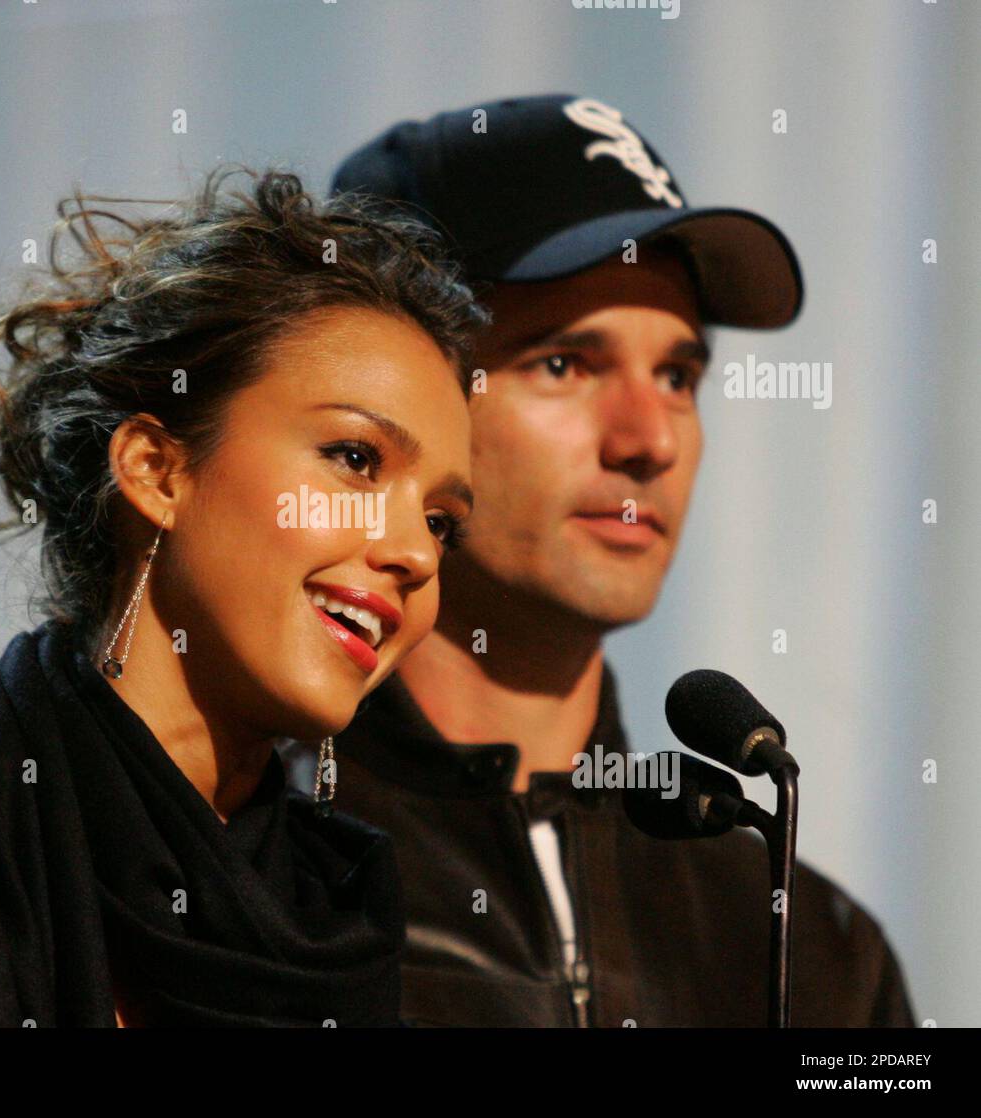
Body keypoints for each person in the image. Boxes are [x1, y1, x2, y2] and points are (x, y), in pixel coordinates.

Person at [0, 167, 488, 1027]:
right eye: (356, 460)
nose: (412, 554)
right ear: (156, 469)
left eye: (442, 522)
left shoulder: (342, 929)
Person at [284, 95, 916, 1027]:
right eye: (565, 364)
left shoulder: (814, 947)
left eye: (677, 376)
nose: (648, 439)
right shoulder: (241, 865)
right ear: (394, 399)